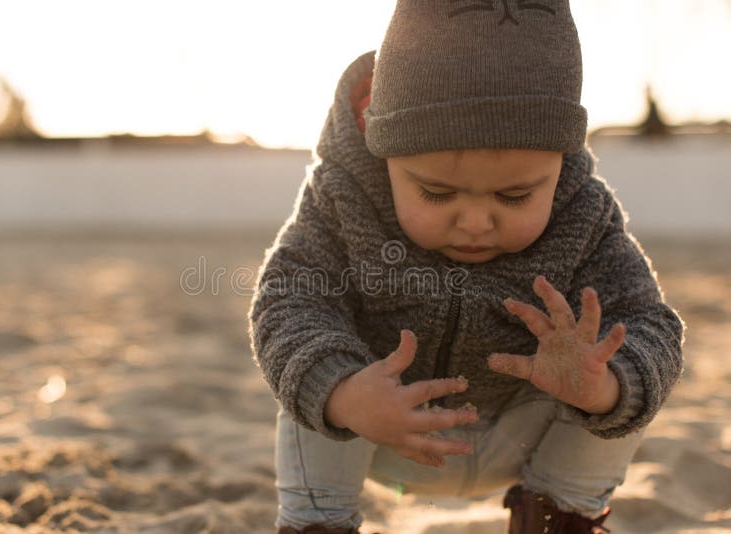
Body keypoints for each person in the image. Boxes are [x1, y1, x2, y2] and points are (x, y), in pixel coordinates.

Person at [247, 1, 685, 533]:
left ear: (560, 164)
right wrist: (344, 394)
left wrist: (604, 387)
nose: (476, 221)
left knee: (615, 364)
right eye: (436, 192)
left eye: (516, 195)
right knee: (313, 377)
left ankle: (558, 517)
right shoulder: (345, 196)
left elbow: (652, 322)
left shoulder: (583, 214)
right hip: (380, 429)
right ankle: (317, 524)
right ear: (382, 151)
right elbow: (287, 297)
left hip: (522, 435)